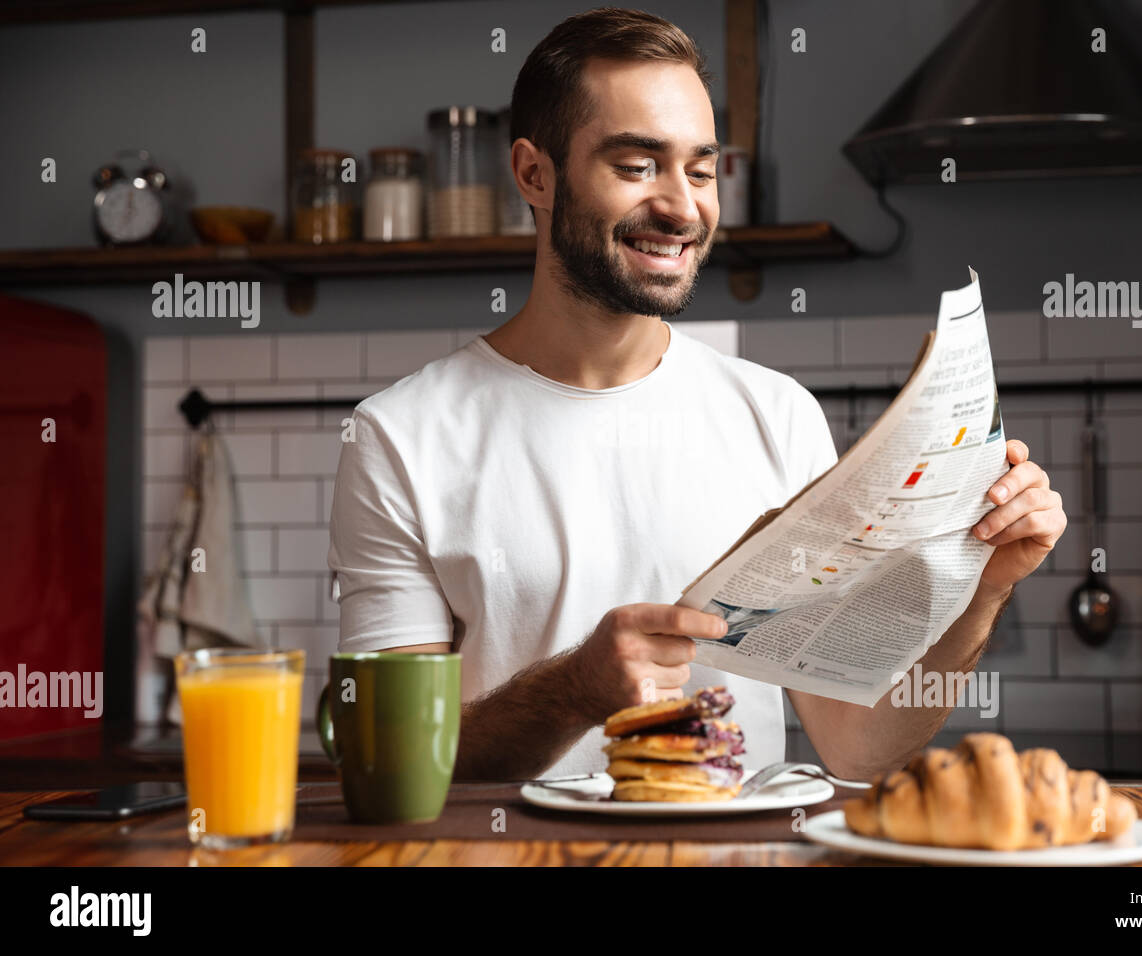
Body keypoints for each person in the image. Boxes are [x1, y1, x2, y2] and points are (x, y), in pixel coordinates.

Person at [327, 8, 1065, 781]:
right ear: (534, 175)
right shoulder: (398, 438)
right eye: (637, 165)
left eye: (701, 169)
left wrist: (981, 592)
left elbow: (858, 744)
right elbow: (386, 760)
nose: (683, 207)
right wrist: (574, 691)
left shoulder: (778, 417)